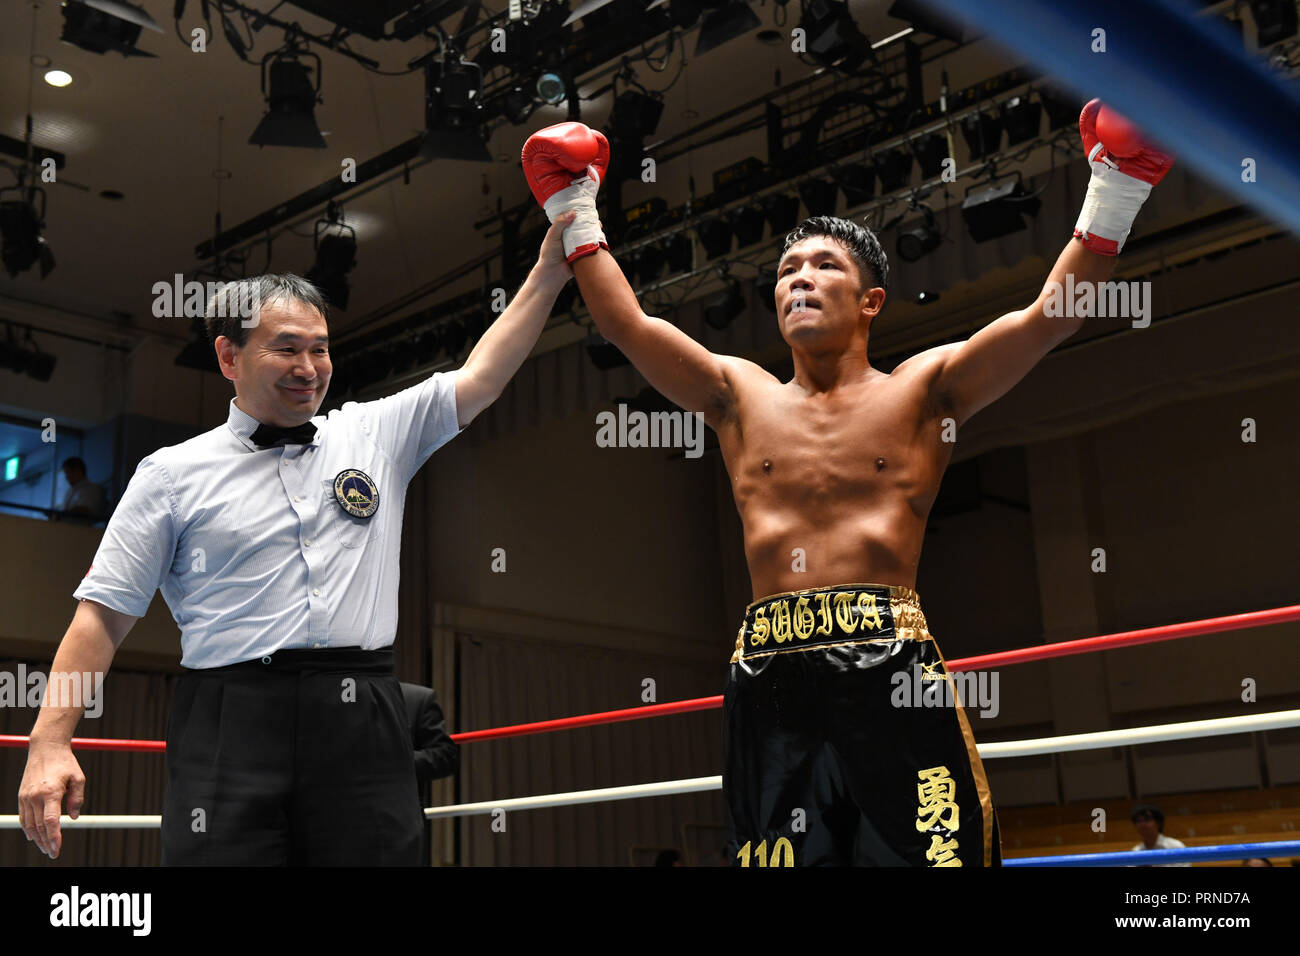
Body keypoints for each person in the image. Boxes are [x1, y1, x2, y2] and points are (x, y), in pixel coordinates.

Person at [521, 102, 1174, 866]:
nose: (799, 279)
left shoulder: (924, 389)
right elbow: (627, 324)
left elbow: (1050, 317)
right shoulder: (738, 393)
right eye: (787, 272)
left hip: (888, 662)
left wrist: (1116, 187)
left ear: (870, 302)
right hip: (770, 675)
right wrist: (573, 205)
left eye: (824, 266)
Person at [17, 212, 578, 865]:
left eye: (320, 348)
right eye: (286, 347)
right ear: (229, 356)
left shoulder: (373, 434)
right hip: (230, 714)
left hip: (361, 709)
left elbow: (481, 376)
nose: (308, 367)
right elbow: (103, 616)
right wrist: (48, 741)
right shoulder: (171, 474)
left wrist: (548, 271)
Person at [400, 681, 459, 864]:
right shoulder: (332, 700)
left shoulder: (415, 698)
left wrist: (395, 763)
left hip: (400, 830)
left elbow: (445, 756)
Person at [56, 457, 108, 523]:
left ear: (77, 470)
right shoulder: (70, 491)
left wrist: (62, 514)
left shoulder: (92, 489)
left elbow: (84, 510)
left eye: (67, 472)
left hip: (83, 530)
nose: (66, 477)